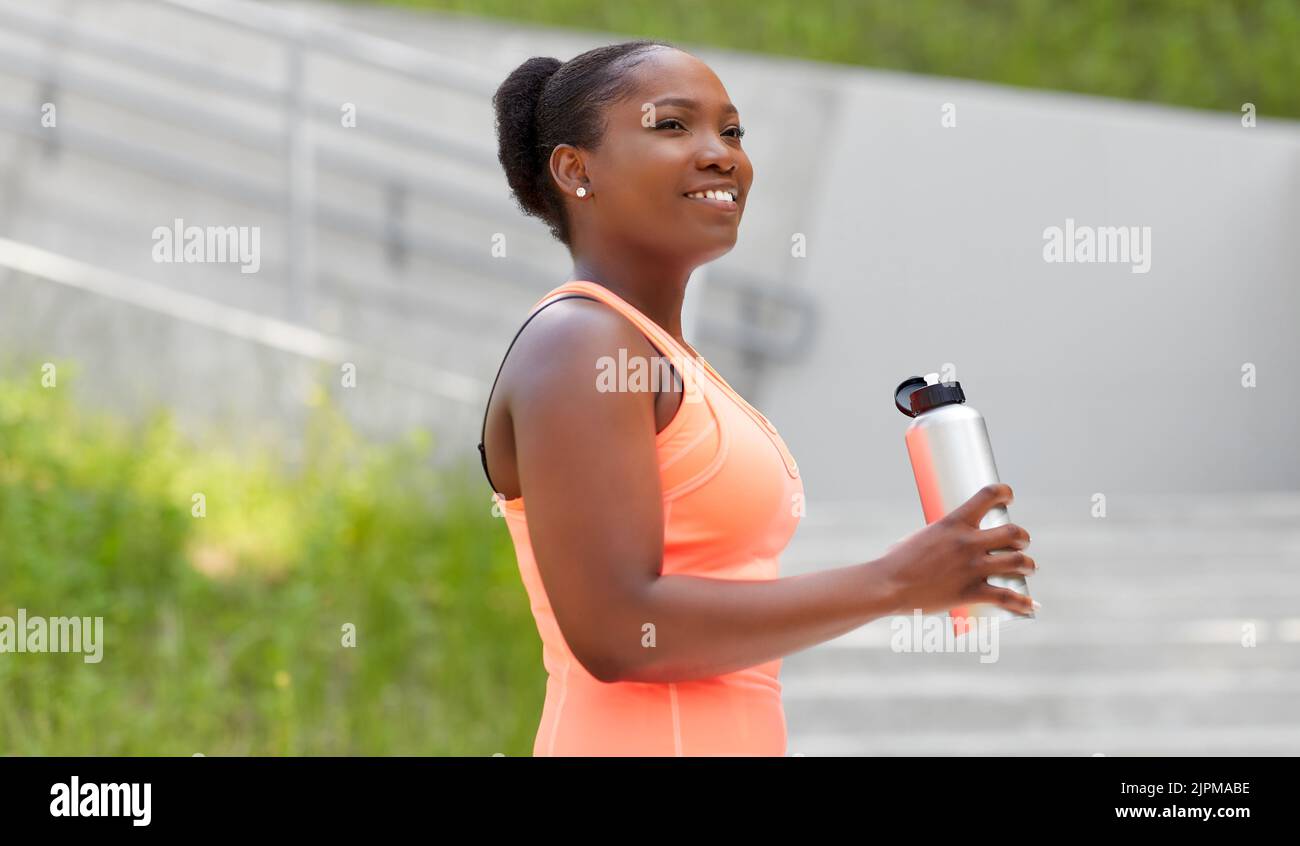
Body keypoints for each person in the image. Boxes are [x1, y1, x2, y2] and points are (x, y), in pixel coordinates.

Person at [478, 40, 1038, 756]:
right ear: (575, 169)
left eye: (733, 131)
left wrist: (909, 577)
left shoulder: (659, 354)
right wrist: (895, 582)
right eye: (673, 126)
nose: (722, 155)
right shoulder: (582, 340)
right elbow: (620, 632)